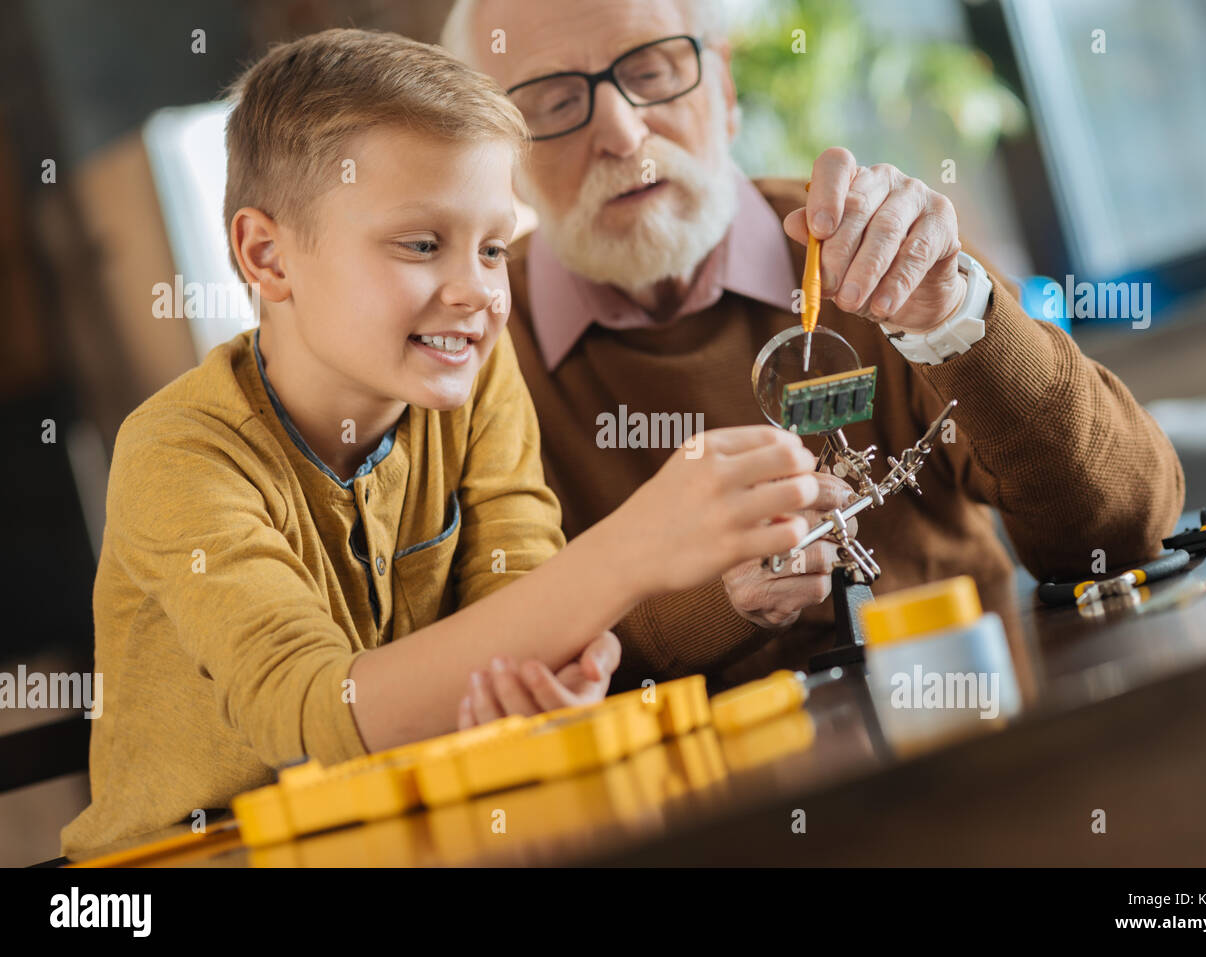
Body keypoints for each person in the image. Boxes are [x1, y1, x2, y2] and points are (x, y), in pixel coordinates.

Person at [61, 28, 820, 856]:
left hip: (417, 831)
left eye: (493, 247)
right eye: (422, 244)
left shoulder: (473, 381)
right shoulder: (178, 452)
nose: (478, 292)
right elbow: (311, 714)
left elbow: (520, 597)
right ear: (266, 256)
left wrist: (536, 681)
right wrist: (633, 551)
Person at [441, 0, 1186, 686]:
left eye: (652, 71)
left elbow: (1122, 527)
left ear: (724, 88)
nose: (622, 134)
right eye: (556, 101)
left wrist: (954, 318)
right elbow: (487, 676)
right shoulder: (471, 353)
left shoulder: (882, 255)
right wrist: (708, 598)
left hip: (981, 765)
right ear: (501, 153)